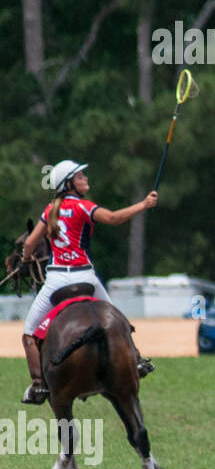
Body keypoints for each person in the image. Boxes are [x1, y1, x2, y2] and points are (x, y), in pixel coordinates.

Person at [20, 160, 158, 405]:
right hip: (86, 277)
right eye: (80, 176)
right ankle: (135, 360)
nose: (84, 178)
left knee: (29, 334)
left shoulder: (49, 210)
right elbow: (114, 218)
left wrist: (27, 257)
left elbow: (30, 243)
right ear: (69, 183)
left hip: (56, 280)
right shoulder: (83, 207)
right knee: (119, 321)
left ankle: (38, 386)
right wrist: (144, 204)